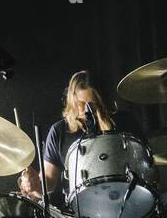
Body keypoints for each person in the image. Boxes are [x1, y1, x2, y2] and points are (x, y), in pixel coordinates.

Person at [40, 70, 147, 209]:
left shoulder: (125, 121)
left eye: (92, 104)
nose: (86, 110)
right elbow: (48, 182)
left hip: (126, 203)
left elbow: (147, 166)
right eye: (80, 104)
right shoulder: (59, 131)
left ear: (102, 100)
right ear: (72, 100)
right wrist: (35, 184)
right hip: (78, 213)